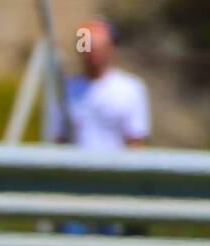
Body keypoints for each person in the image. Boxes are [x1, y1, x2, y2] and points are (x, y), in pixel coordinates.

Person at [54, 18, 149, 150]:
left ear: (111, 49)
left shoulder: (130, 88)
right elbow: (59, 139)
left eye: (98, 48)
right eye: (89, 48)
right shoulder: (66, 89)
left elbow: (135, 141)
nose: (93, 54)